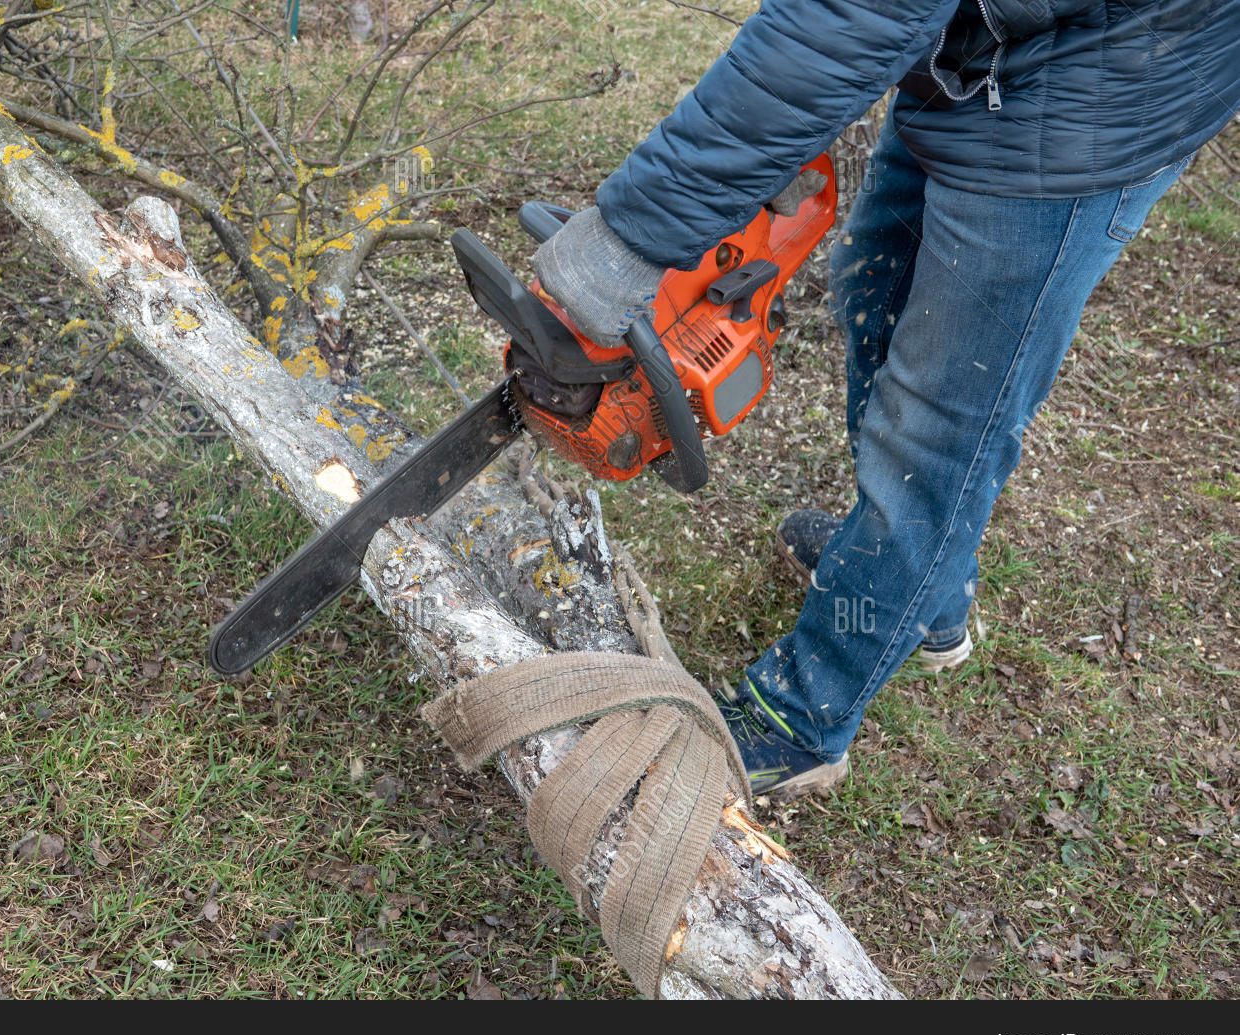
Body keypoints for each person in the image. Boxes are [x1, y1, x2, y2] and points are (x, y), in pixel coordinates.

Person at [531, 1, 1240, 800]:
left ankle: (802, 720)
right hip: (982, 63)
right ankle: (923, 600)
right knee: (877, 294)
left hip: (1091, 102)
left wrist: (636, 234)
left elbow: (852, 16)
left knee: (941, 427)